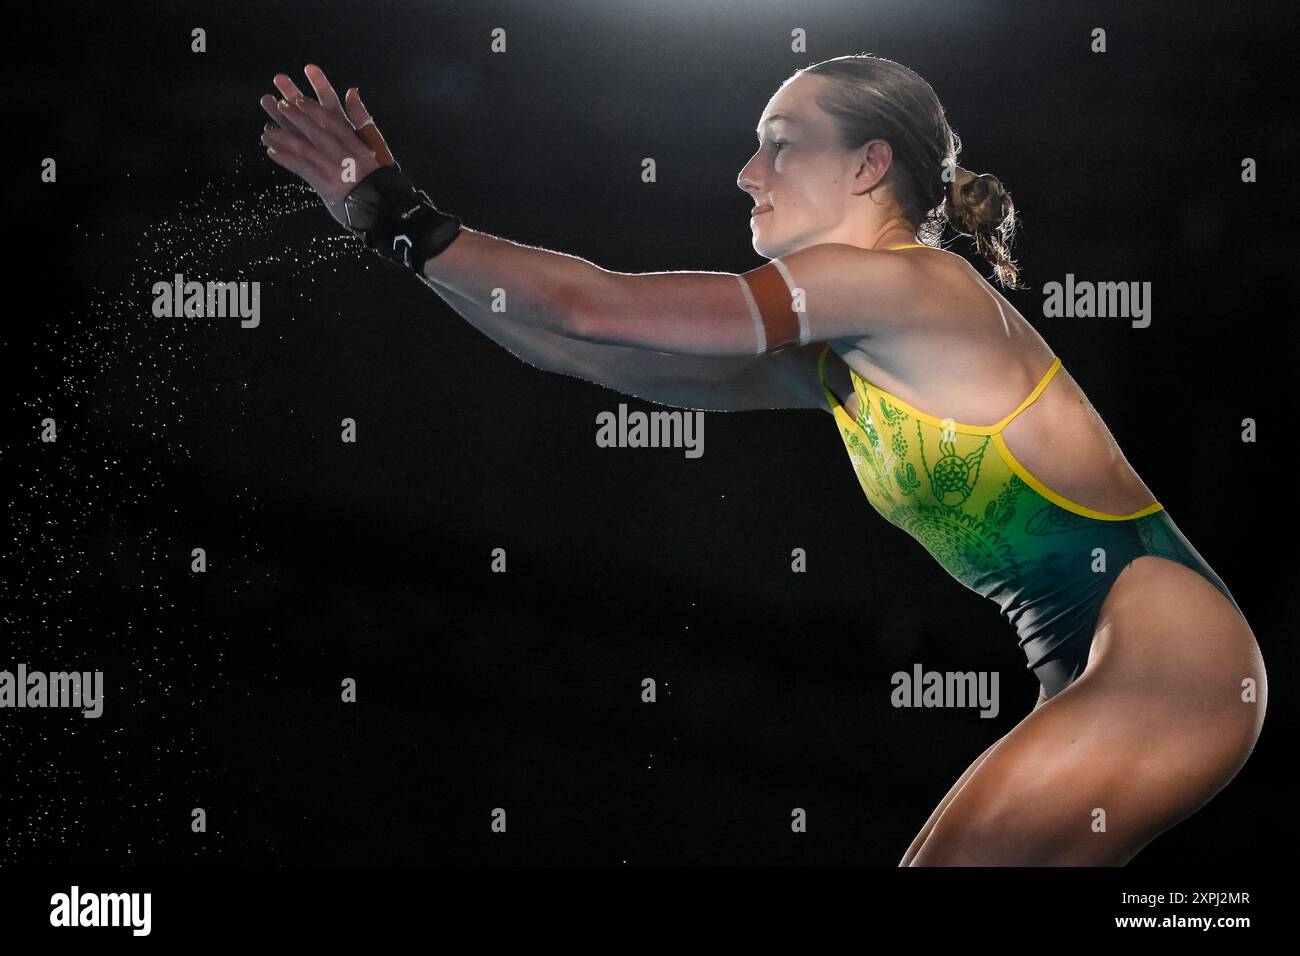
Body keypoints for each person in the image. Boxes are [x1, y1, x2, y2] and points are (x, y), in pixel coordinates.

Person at [258, 54, 1267, 866]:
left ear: (870, 165)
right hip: (1108, 668)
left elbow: (598, 300)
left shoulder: (911, 288)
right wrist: (395, 238)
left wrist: (412, 215)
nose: (746, 174)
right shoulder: (842, 352)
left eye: (779, 147)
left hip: (1168, 659)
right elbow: (586, 348)